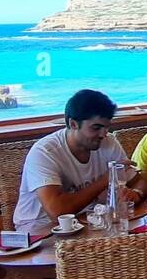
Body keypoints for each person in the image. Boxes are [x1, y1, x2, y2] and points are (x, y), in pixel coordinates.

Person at [13, 89, 126, 232]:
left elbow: (138, 180)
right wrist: (108, 179)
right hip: (39, 230)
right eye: (96, 128)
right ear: (73, 124)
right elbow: (57, 212)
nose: (103, 134)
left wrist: (136, 192)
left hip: (84, 223)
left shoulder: (108, 141)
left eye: (107, 127)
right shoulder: (45, 152)